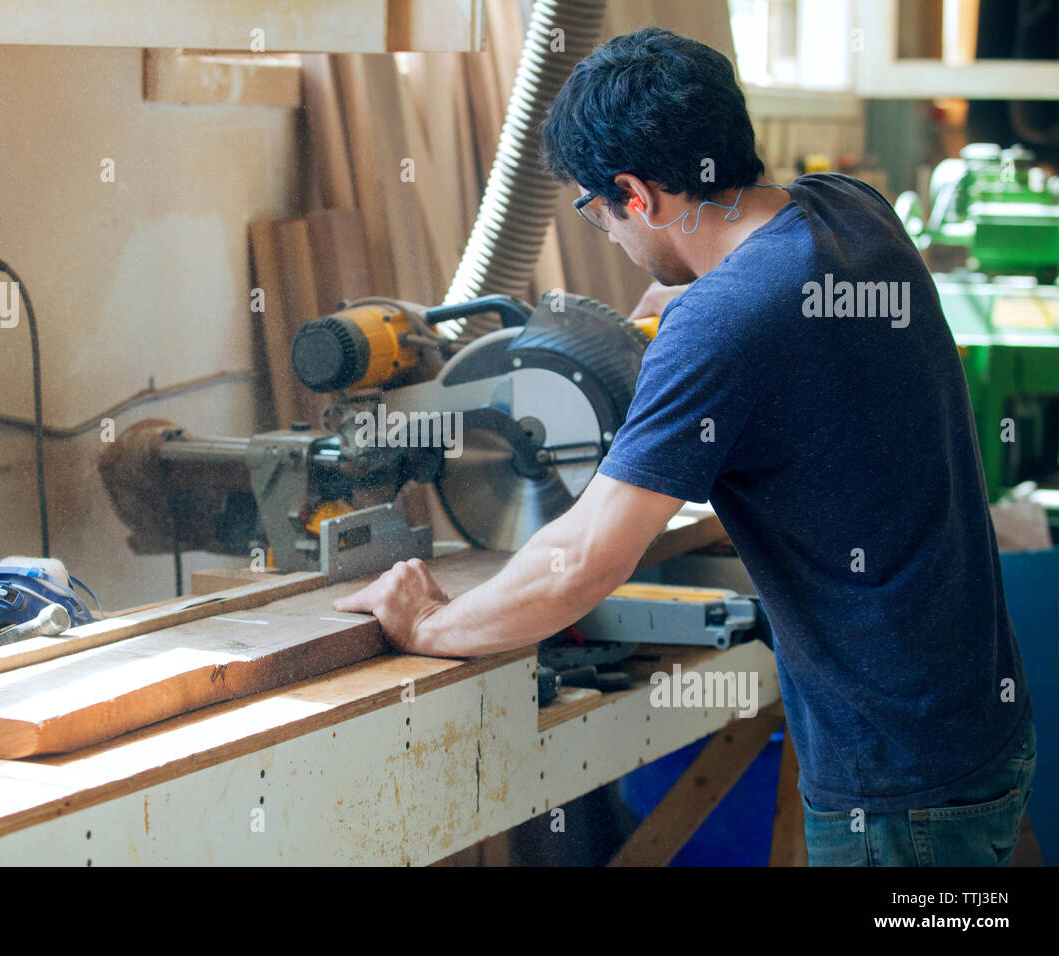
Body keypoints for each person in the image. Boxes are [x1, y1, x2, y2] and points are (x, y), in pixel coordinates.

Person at [333, 27, 1035, 866]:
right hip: (977, 724)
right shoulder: (851, 209)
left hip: (894, 785)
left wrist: (429, 625)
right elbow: (765, 304)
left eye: (598, 213)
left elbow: (585, 562)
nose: (611, 236)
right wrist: (682, 303)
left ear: (635, 192)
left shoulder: (720, 323)